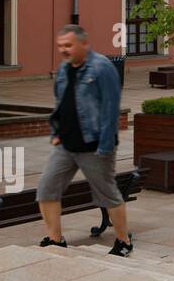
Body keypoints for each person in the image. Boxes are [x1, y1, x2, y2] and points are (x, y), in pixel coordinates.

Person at [36, 25, 132, 255]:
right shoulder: (63, 69)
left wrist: (105, 146)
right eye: (60, 46)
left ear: (83, 44)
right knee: (46, 189)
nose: (63, 50)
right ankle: (55, 239)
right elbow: (60, 102)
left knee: (107, 195)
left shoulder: (102, 68)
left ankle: (123, 241)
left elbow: (111, 109)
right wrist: (56, 133)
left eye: (68, 45)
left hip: (94, 146)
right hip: (66, 145)